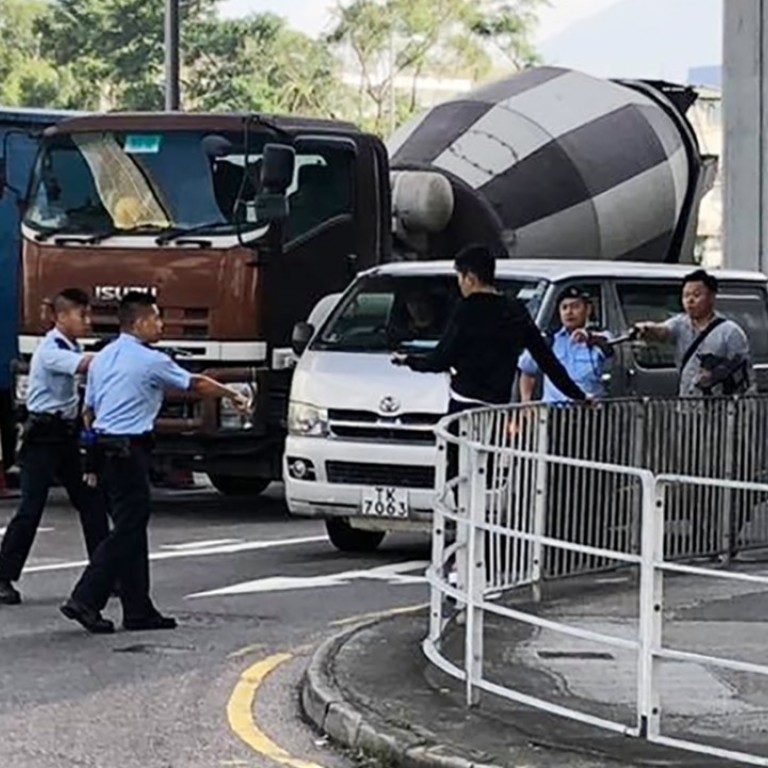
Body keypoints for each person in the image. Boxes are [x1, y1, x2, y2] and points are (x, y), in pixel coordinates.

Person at [60, 292, 250, 634]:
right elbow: (196, 383)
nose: (161, 325)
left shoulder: (102, 358)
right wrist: (233, 394)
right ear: (139, 323)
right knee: (128, 530)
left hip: (104, 449)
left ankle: (138, 610)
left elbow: (88, 412)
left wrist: (92, 459)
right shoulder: (150, 360)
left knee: (131, 529)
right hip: (129, 450)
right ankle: (86, 598)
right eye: (156, 318)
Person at [0, 289, 109, 606]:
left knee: (91, 503)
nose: (87, 321)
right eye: (81, 315)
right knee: (31, 508)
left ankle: (104, 573)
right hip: (43, 438)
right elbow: (85, 365)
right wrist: (122, 354)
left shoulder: (72, 345)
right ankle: (3, 576)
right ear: (61, 317)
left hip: (66, 436)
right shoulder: (50, 350)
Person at [392, 245, 588, 412]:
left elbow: (441, 359)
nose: (460, 284)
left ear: (470, 278)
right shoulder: (515, 310)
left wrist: (408, 360)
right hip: (497, 407)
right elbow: (546, 359)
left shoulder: (466, 310)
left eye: (460, 277)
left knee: (459, 446)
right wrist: (579, 396)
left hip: (465, 404)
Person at [634, 269, 755, 397]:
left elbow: (743, 372)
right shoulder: (680, 324)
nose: (690, 300)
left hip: (720, 404)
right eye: (686, 296)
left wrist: (715, 375)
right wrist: (647, 329)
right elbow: (663, 331)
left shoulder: (730, 332)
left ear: (711, 297)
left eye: (696, 295)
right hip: (687, 402)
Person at [518, 287, 613, 403]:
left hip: (588, 409)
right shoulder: (549, 340)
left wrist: (589, 337)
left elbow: (609, 348)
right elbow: (527, 370)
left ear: (588, 309)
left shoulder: (600, 337)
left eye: (575, 307)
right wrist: (526, 403)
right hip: (554, 409)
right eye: (564, 307)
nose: (569, 312)